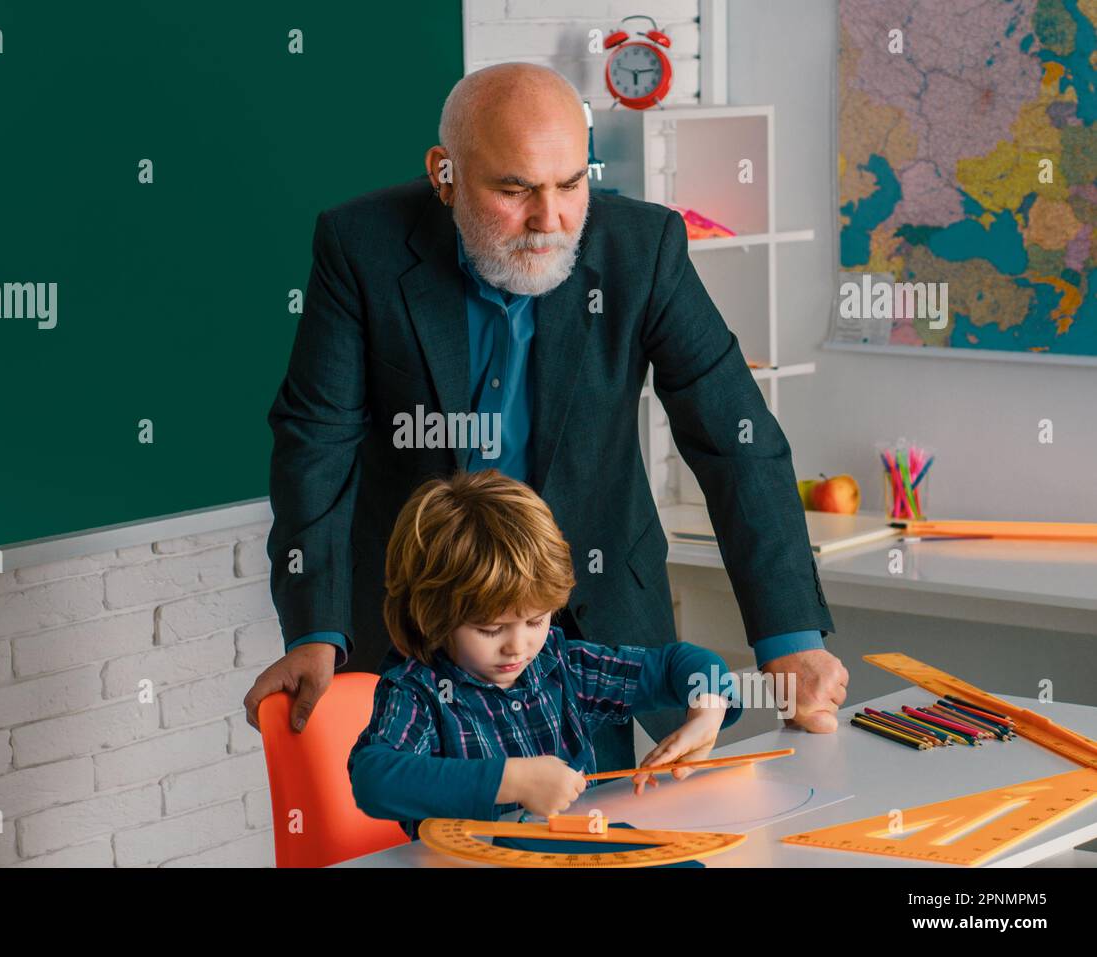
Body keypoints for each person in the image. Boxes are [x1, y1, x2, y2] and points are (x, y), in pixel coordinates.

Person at [245, 62, 847, 773]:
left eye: (570, 184)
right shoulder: (361, 248)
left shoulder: (641, 248)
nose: (550, 219)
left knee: (588, 835)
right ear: (445, 173)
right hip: (419, 629)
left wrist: (788, 637)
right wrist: (315, 627)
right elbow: (316, 441)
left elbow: (734, 437)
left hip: (590, 628)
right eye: (514, 189)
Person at [348, 469, 741, 839]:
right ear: (431, 615)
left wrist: (707, 712)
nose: (517, 647)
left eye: (536, 621)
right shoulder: (417, 692)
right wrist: (511, 780)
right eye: (489, 629)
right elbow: (373, 779)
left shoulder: (562, 664)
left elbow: (685, 666)